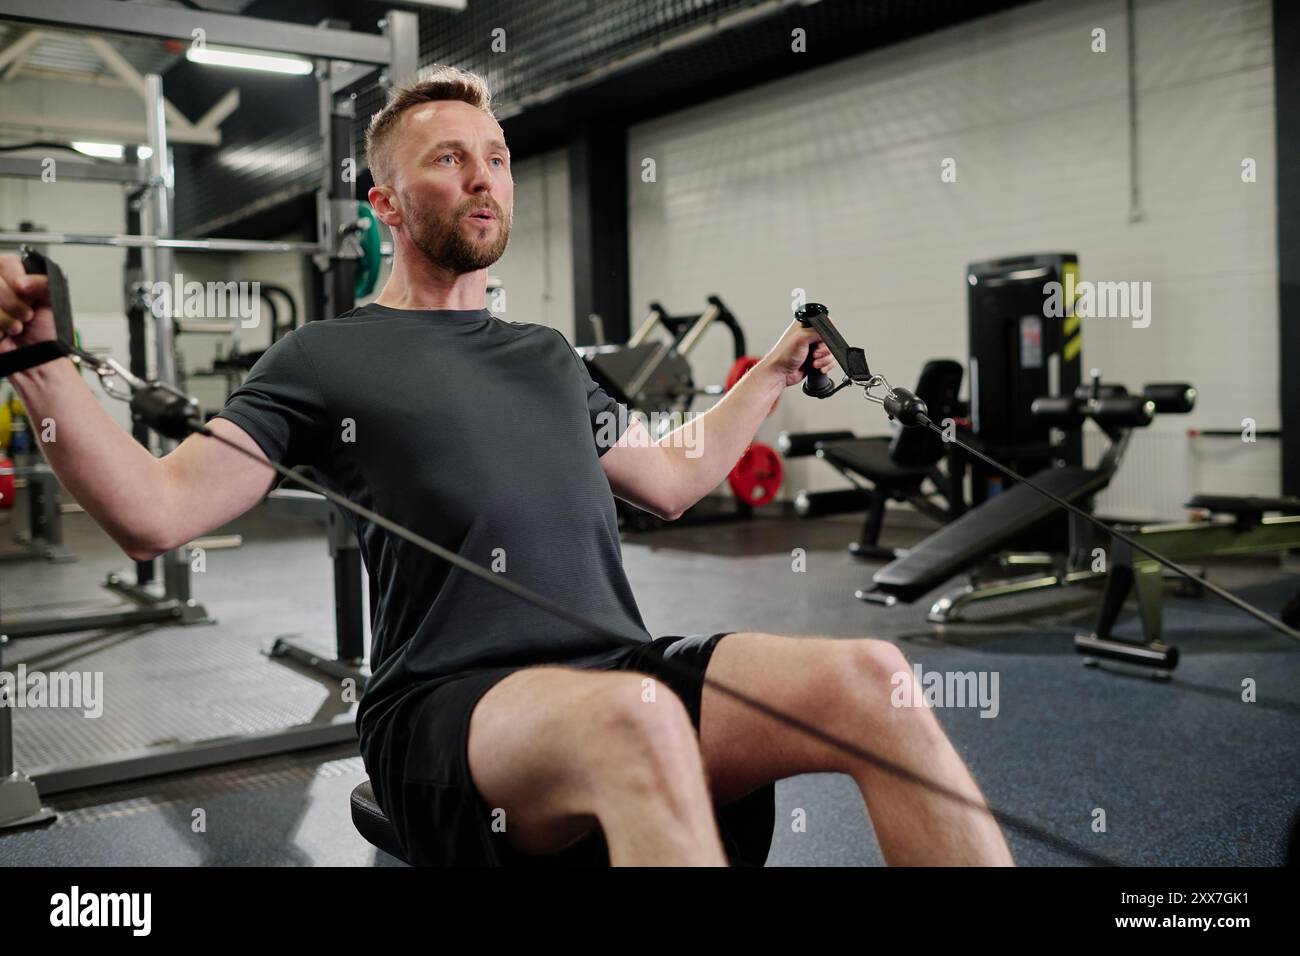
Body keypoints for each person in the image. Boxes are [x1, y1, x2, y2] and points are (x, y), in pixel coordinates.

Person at [0, 66, 1013, 867]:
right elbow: (153, 510)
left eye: (495, 156)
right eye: (448, 160)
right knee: (640, 718)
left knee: (869, 675)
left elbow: (670, 476)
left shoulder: (545, 354)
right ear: (384, 204)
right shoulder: (321, 357)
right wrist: (36, 357)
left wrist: (773, 370)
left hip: (617, 671)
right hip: (448, 706)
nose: (483, 176)